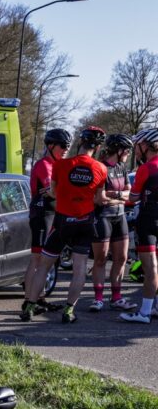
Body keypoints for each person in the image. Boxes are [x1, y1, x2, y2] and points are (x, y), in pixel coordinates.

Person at [22, 126, 108, 324]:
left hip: (61, 221)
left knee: (44, 265)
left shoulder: (61, 165)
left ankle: (29, 306)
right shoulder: (101, 169)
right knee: (79, 268)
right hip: (84, 222)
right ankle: (69, 310)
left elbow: (53, 192)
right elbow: (99, 198)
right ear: (96, 148)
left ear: (80, 142)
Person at [22, 128, 71, 315]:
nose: (66, 149)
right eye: (63, 146)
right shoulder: (43, 164)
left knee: (47, 261)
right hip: (42, 215)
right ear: (50, 146)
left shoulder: (59, 164)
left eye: (68, 146)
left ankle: (39, 298)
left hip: (53, 213)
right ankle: (29, 300)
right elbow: (53, 190)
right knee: (37, 259)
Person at [89, 134, 137, 312]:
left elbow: (129, 193)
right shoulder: (101, 167)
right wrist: (120, 196)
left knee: (122, 258)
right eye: (126, 150)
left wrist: (113, 195)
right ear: (117, 150)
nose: (128, 153)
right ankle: (98, 299)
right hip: (102, 217)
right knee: (100, 259)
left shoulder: (122, 167)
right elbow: (98, 199)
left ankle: (116, 298)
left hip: (120, 216)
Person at [117, 127, 158, 323]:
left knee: (150, 269)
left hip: (148, 221)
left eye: (138, 145)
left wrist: (116, 195)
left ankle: (144, 313)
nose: (136, 148)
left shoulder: (146, 168)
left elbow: (132, 198)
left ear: (147, 146)